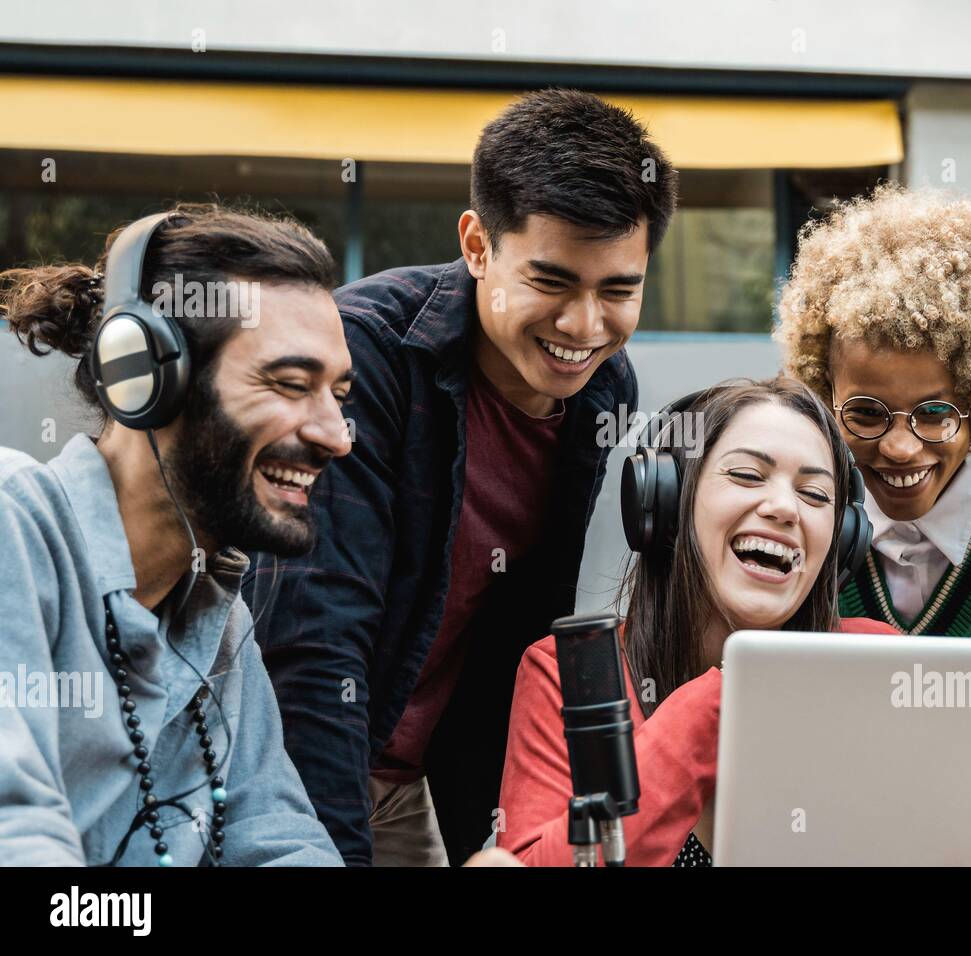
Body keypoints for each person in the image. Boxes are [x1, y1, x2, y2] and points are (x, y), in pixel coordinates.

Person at [247, 88, 679, 865]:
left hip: (417, 781)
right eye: (551, 281)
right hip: (283, 766)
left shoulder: (605, 387)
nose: (585, 327)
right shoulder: (363, 356)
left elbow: (521, 630)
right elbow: (315, 637)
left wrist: (505, 829)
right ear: (478, 246)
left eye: (619, 289)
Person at [0, 204, 348, 865]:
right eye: (291, 384)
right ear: (147, 379)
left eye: (340, 394)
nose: (337, 435)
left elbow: (279, 840)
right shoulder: (12, 525)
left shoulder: (219, 615)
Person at [497, 378, 896, 866]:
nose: (784, 508)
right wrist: (716, 703)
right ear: (668, 502)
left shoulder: (873, 663)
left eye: (814, 494)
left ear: (841, 539)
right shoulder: (579, 673)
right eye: (747, 475)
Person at [776, 184, 971, 641]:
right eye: (866, 413)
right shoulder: (795, 512)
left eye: (934, 413)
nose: (900, 448)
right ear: (826, 393)